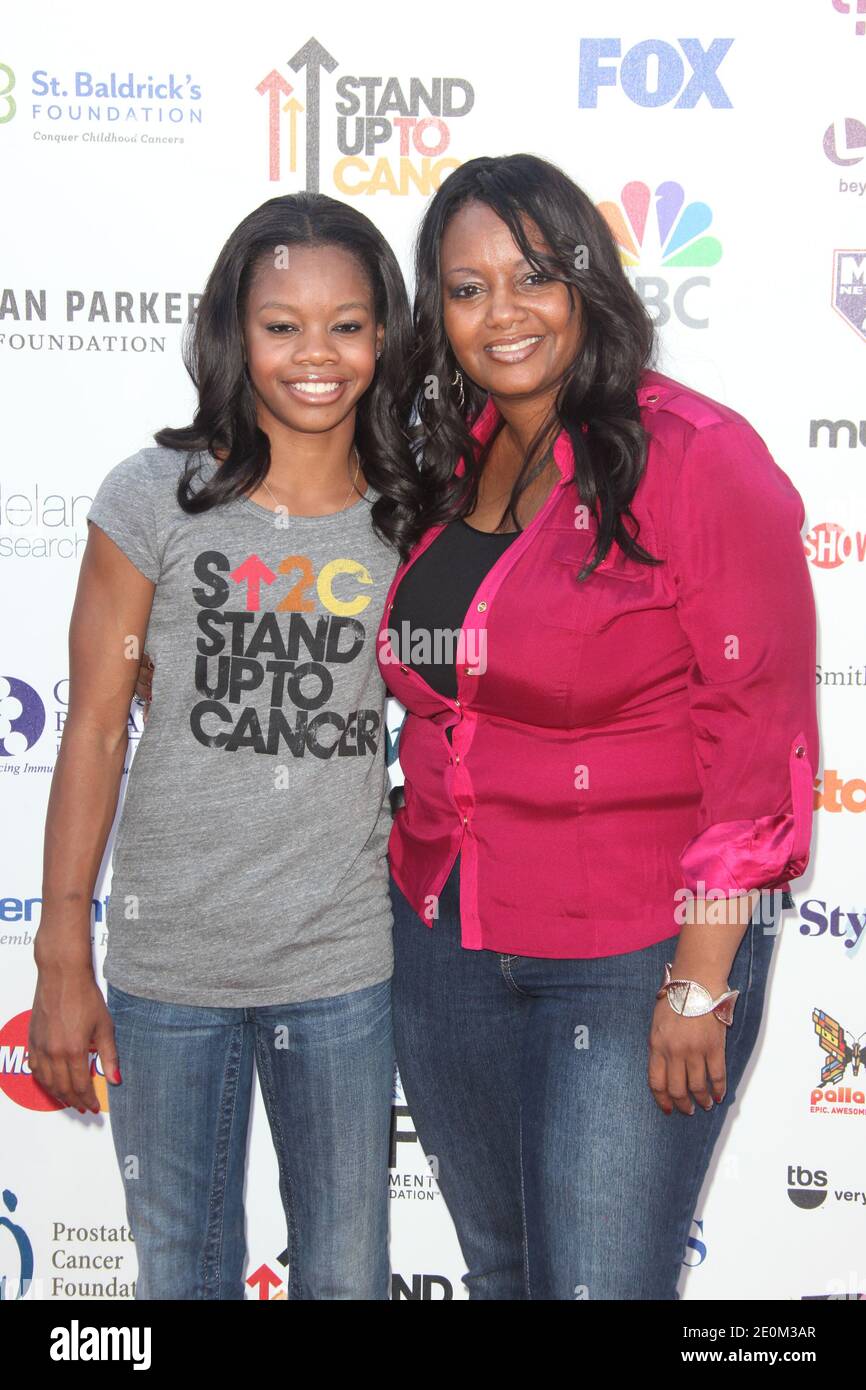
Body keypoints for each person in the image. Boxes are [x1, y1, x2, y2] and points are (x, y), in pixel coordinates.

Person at [377, 153, 819, 1300]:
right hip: (446, 942)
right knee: (509, 1273)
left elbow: (756, 735)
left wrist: (699, 981)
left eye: (529, 276)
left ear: (587, 282)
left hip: (631, 953)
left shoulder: (697, 456)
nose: (499, 313)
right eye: (465, 289)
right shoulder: (453, 455)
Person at [29, 191, 419, 1300]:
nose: (315, 354)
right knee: (180, 1279)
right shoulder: (152, 496)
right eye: (280, 323)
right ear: (231, 331)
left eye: (345, 323)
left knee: (345, 1277)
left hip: (340, 961)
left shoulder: (413, 509)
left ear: (383, 334)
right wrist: (63, 948)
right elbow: (97, 725)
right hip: (168, 966)